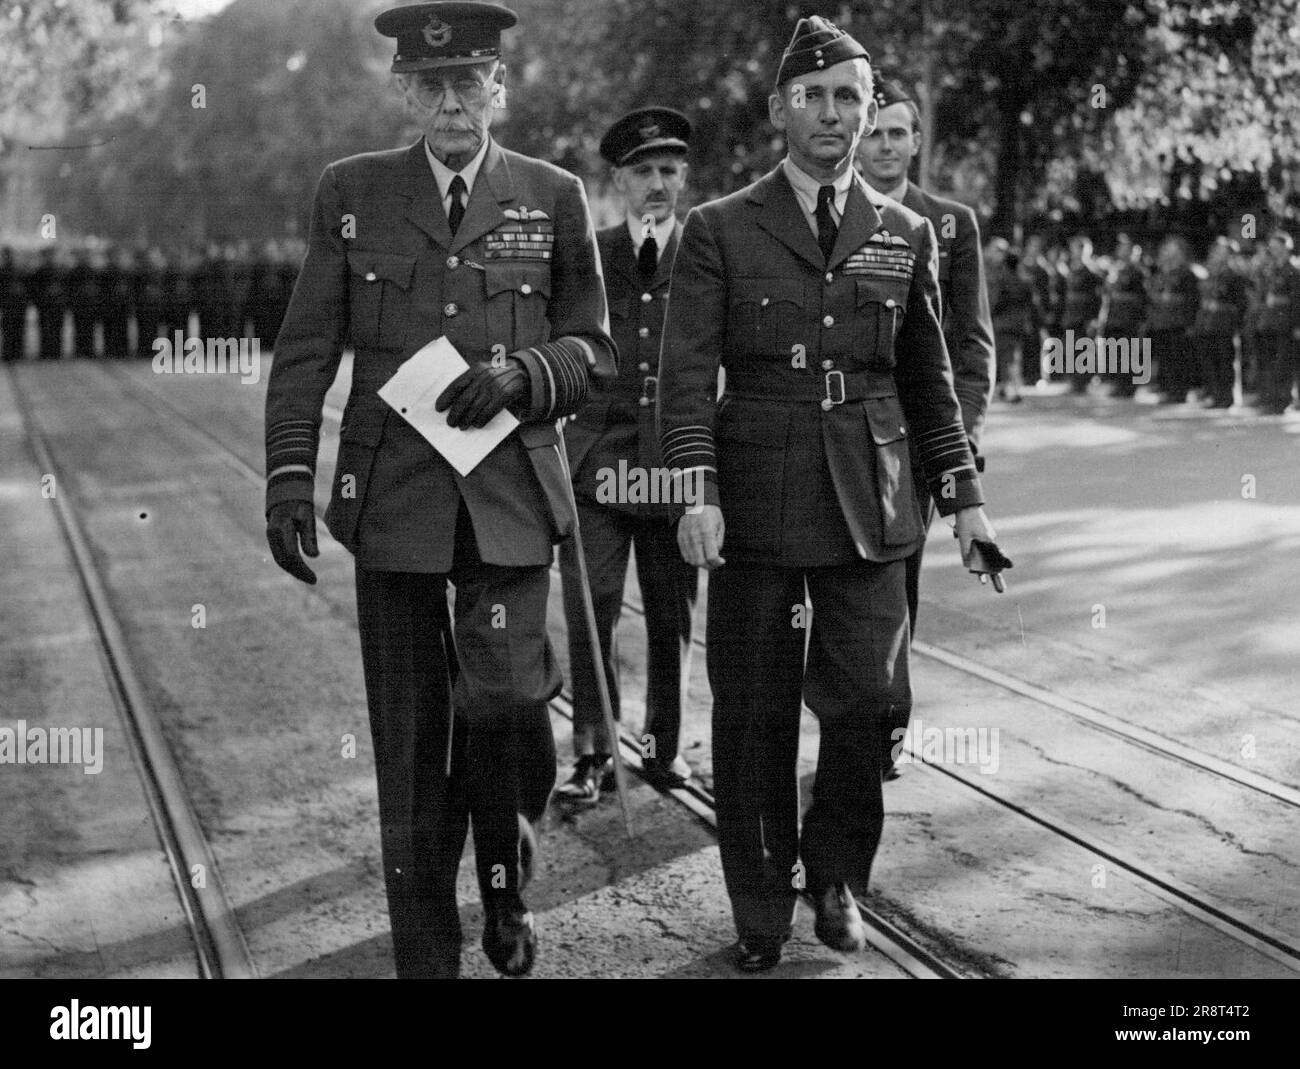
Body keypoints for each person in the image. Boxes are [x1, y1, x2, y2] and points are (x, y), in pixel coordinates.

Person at [262, 0, 616, 979]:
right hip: (395, 504)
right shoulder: (353, 192)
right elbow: (305, 351)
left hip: (508, 494)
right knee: (412, 744)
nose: (453, 102)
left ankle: (503, 878)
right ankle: (428, 948)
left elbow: (597, 349)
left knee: (506, 706)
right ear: (404, 90)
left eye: (471, 82)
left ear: (500, 87)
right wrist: (290, 477)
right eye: (432, 86)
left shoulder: (553, 197)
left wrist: (524, 375)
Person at [658, 15, 1001, 972]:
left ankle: (837, 870)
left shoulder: (905, 232)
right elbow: (685, 378)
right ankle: (762, 903)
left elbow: (930, 378)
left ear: (871, 110)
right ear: (779, 110)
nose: (834, 114)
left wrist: (966, 501)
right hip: (757, 499)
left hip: (875, 496)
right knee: (755, 713)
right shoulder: (719, 227)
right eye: (813, 96)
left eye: (851, 97)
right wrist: (697, 488)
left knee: (873, 702)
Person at [556, 107, 698, 804]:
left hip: (673, 463)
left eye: (669, 170)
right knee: (593, 607)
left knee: (672, 611)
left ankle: (665, 744)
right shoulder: (589, 252)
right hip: (599, 459)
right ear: (618, 180)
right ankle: (593, 749)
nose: (657, 184)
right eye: (643, 171)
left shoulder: (704, 253)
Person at [856, 77, 994, 776]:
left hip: (920, 445)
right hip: (851, 435)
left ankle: (886, 729)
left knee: (896, 588)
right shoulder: (840, 217)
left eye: (897, 132)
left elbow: (969, 346)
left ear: (916, 140)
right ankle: (852, 717)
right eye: (874, 131)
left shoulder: (949, 223)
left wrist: (956, 444)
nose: (885, 145)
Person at [1193, 237, 1250, 409]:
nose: (1217, 255)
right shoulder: (1210, 273)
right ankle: (1214, 394)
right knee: (1210, 359)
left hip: (1224, 322)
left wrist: (1237, 324)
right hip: (1207, 321)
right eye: (1216, 252)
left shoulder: (1234, 275)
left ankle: (1227, 396)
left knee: (1225, 361)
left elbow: (1240, 303)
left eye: (1222, 252)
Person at [1147, 235, 1200, 403]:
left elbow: (1192, 300)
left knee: (1179, 358)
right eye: (1165, 250)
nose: (1167, 253)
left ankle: (1179, 392)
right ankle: (1168, 389)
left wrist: (1190, 322)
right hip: (1161, 321)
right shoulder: (1160, 273)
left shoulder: (1187, 274)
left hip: (1179, 322)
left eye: (1172, 250)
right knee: (1165, 357)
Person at [1254, 229, 1300, 414]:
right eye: (1271, 247)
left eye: (1276, 246)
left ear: (1286, 248)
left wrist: (1297, 325)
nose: (1273, 250)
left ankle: (1282, 400)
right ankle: (1270, 398)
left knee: (1283, 363)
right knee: (1269, 362)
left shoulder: (1293, 271)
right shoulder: (1270, 270)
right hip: (1269, 322)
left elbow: (1297, 300)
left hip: (1285, 323)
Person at [1098, 234, 1148, 398]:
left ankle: (1129, 386)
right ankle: (1118, 383)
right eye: (1120, 248)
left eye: (1126, 248)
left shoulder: (1137, 271)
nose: (1122, 251)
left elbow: (1142, 296)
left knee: (1129, 351)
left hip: (1129, 317)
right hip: (1114, 316)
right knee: (1115, 351)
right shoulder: (1114, 269)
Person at [984, 238, 1033, 402]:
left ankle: (1010, 389)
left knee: (1006, 359)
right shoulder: (1025, 281)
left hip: (1003, 324)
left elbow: (996, 302)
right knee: (1015, 357)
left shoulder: (1002, 281)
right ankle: (1013, 387)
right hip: (1019, 324)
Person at [1059, 234, 1103, 394]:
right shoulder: (1072, 269)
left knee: (1084, 348)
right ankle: (1074, 381)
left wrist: (1094, 318)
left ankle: (1083, 382)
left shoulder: (1091, 271)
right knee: (1070, 348)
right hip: (1071, 315)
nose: (1074, 252)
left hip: (1084, 316)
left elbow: (1098, 297)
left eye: (1077, 248)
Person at [0, 247, 26, 362]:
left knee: (18, 329)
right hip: (8, 304)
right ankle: (9, 352)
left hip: (18, 304)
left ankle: (17, 352)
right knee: (8, 330)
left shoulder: (19, 271)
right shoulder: (3, 271)